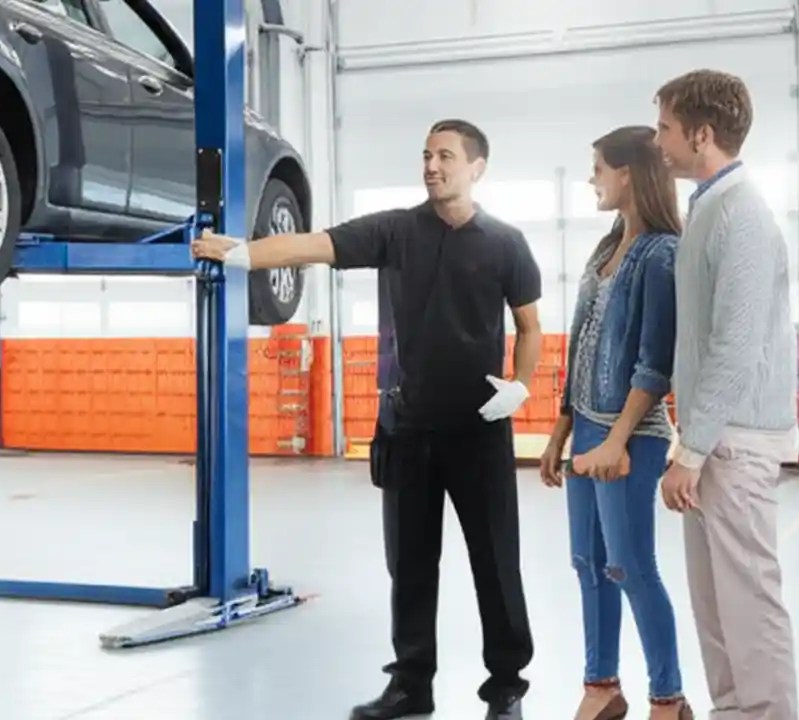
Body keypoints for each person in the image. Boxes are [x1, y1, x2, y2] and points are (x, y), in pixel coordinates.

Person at [192, 119, 542, 720]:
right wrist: (244, 253)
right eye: (426, 154)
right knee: (408, 564)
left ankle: (506, 688)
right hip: (406, 428)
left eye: (446, 156)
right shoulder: (396, 230)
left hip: (479, 431)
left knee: (495, 561)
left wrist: (521, 386)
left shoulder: (506, 243)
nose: (432, 165)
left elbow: (530, 327)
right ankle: (411, 685)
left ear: (477, 167)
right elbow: (315, 244)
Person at [653, 69, 799, 720]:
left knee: (748, 600)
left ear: (701, 134)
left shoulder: (739, 213)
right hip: (714, 439)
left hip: (734, 441)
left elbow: (735, 345)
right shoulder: (710, 206)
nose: (658, 141)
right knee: (715, 605)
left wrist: (695, 448)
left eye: (665, 127)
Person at [539, 126, 692, 720]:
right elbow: (579, 347)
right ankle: (601, 686)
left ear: (628, 173)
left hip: (631, 433)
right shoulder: (605, 248)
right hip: (587, 429)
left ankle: (668, 696)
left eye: (599, 169)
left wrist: (619, 440)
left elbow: (656, 364)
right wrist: (561, 431)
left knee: (630, 565)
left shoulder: (662, 254)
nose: (592, 179)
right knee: (587, 563)